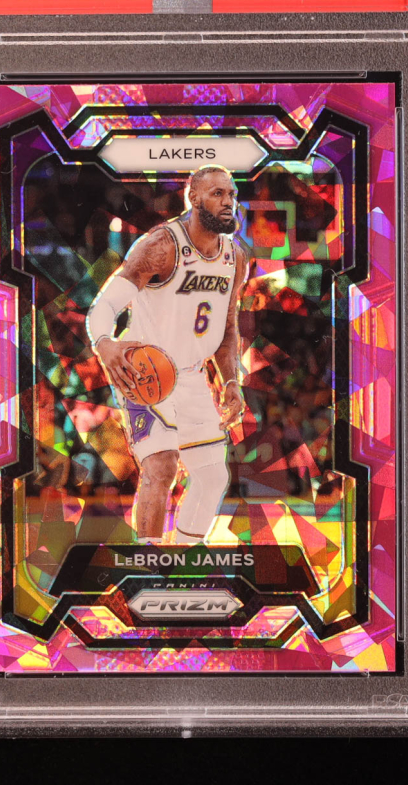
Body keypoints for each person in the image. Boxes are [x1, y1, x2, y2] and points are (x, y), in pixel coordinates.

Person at [86, 165, 248, 544]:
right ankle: (148, 564)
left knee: (213, 476)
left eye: (231, 194)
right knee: (161, 466)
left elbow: (227, 329)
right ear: (194, 198)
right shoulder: (161, 246)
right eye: (218, 194)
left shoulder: (235, 258)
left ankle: (185, 559)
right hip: (145, 369)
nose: (228, 202)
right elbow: (104, 306)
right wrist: (105, 343)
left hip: (190, 375)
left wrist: (231, 381)